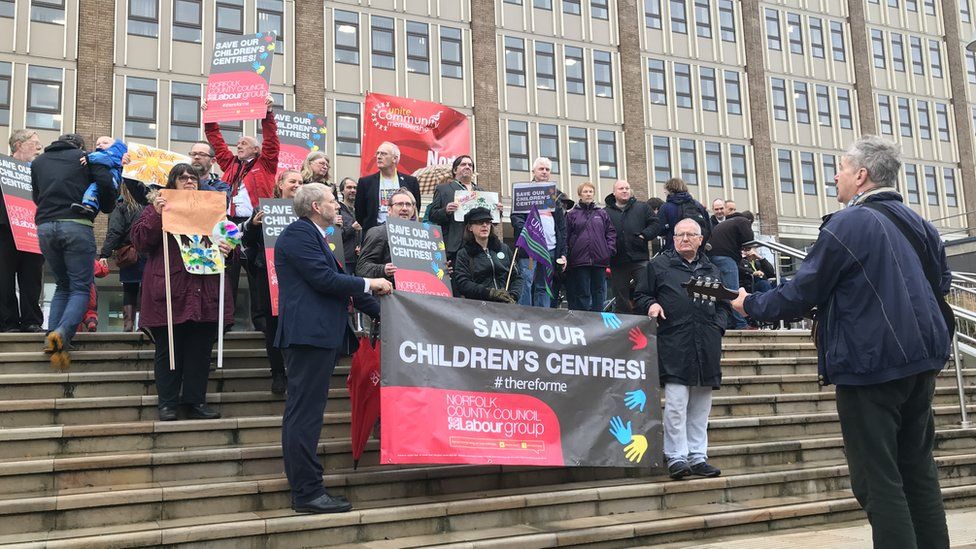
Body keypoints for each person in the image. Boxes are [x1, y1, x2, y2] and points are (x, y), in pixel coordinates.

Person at [732, 136, 952, 548]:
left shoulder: (847, 223)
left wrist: (751, 305)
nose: (835, 176)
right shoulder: (919, 223)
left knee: (877, 480)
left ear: (862, 176)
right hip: (923, 361)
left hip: (871, 366)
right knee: (918, 472)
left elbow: (803, 291)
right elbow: (939, 284)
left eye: (842, 168)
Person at [274, 183, 391, 514]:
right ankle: (307, 492)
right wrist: (372, 282)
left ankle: (309, 487)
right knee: (304, 415)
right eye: (331, 201)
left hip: (318, 336)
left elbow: (342, 288)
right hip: (307, 337)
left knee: (308, 413)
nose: (338, 205)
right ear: (315, 206)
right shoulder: (299, 234)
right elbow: (325, 280)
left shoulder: (317, 236)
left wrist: (391, 312)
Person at [130, 164, 233, 421]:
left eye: (193, 177)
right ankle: (168, 403)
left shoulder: (212, 209)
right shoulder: (155, 209)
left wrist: (229, 246)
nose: (189, 181)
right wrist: (156, 213)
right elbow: (141, 241)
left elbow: (229, 238)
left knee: (199, 351)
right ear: (171, 182)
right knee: (168, 351)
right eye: (182, 177)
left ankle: (195, 401)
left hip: (205, 289)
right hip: (171, 289)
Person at [634, 218, 727, 480]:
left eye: (690, 235)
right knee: (676, 404)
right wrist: (651, 305)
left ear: (700, 240)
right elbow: (641, 294)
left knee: (701, 406)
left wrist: (717, 326)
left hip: (706, 344)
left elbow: (723, 304)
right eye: (679, 235)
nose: (684, 239)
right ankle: (676, 456)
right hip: (674, 341)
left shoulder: (711, 270)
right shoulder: (659, 265)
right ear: (672, 239)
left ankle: (698, 456)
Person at [32, 133, 116, 369]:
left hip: (46, 227)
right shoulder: (86, 157)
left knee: (62, 284)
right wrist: (107, 205)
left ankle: (52, 334)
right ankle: (62, 332)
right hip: (76, 225)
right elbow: (106, 188)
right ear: (80, 146)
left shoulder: (38, 162)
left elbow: (36, 196)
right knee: (80, 286)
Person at [203, 94, 279, 332]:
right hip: (228, 222)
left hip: (255, 222)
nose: (239, 145)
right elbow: (215, 142)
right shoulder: (231, 165)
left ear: (256, 149)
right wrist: (209, 118)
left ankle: (261, 322)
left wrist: (267, 114)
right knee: (228, 272)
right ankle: (225, 321)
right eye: (238, 144)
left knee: (258, 273)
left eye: (244, 143)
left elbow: (271, 141)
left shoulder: (265, 163)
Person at [241, 169, 302, 395]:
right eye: (292, 181)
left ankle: (296, 372)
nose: (297, 185)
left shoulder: (308, 211)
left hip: (300, 278)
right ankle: (278, 373)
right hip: (270, 277)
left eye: (301, 182)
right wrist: (253, 225)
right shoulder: (263, 210)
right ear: (281, 185)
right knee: (274, 328)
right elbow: (247, 242)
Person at [1, 130, 44, 333]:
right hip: (5, 230)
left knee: (32, 278)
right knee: (4, 277)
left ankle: (31, 321)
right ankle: (8, 322)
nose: (39, 147)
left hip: (31, 230)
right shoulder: (2, 168)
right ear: (19, 144)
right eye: (34, 143)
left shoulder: (39, 171)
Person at [511, 157, 566, 308]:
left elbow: (562, 227)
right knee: (526, 282)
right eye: (541, 169)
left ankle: (543, 317)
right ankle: (524, 316)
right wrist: (529, 233)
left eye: (547, 169)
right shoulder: (524, 191)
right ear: (533, 171)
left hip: (551, 248)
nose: (544, 172)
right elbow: (515, 218)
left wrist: (563, 252)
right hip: (530, 247)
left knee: (544, 285)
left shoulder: (556, 195)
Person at [604, 180, 660, 314]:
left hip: (639, 257)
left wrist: (644, 236)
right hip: (617, 260)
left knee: (644, 290)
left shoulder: (642, 207)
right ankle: (623, 324)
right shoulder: (605, 212)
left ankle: (644, 319)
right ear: (614, 192)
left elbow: (655, 224)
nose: (625, 191)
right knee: (620, 295)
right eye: (621, 188)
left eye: (627, 188)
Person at [428, 155, 494, 264]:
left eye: (470, 165)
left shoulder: (481, 191)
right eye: (463, 164)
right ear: (455, 170)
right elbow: (432, 215)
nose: (467, 167)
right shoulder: (443, 189)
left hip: (477, 244)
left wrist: (497, 211)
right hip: (454, 245)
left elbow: (490, 219)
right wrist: (446, 210)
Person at [99, 182, 147, 332]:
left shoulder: (121, 206)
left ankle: (128, 325)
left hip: (129, 253)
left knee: (129, 289)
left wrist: (105, 253)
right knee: (147, 289)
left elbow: (115, 231)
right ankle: (145, 324)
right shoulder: (148, 205)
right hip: (149, 252)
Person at [453, 208, 522, 303]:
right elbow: (463, 283)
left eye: (488, 222)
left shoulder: (504, 249)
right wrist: (489, 293)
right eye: (479, 222)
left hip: (506, 306)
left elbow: (517, 277)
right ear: (470, 227)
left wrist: (513, 296)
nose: (484, 225)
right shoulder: (464, 254)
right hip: (478, 307)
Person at [565, 182, 615, 312]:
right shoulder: (572, 214)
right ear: (580, 194)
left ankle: (597, 319)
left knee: (599, 292)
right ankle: (584, 320)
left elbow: (610, 232)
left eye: (590, 191)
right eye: (585, 191)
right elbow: (566, 235)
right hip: (579, 260)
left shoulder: (602, 213)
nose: (588, 194)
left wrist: (608, 250)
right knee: (583, 291)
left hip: (599, 259)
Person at [355, 142, 421, 234]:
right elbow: (359, 213)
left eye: (383, 154)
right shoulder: (365, 182)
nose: (378, 157)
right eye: (377, 153)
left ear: (395, 158)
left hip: (403, 233)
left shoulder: (411, 182)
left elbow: (415, 208)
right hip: (375, 234)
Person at [356, 188, 417, 283]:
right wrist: (383, 269)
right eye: (399, 204)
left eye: (408, 204)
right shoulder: (378, 233)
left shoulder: (420, 236)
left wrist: (441, 269)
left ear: (413, 210)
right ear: (389, 209)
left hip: (416, 293)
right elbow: (361, 268)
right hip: (390, 294)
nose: (404, 208)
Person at [707, 210, 754, 329]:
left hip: (712, 255)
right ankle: (740, 323)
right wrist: (748, 249)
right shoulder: (743, 221)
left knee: (722, 292)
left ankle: (728, 322)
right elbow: (749, 240)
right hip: (725, 256)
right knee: (733, 291)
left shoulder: (727, 223)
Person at [658, 178, 710, 252]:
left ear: (670, 190)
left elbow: (660, 230)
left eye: (665, 190)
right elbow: (708, 226)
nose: (664, 192)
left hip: (674, 249)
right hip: (697, 249)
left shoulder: (666, 207)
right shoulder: (698, 205)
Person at [337, 177, 361, 273]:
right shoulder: (337, 209)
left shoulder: (361, 210)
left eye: (355, 188)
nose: (353, 190)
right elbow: (332, 234)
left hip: (360, 259)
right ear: (342, 190)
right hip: (344, 259)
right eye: (349, 187)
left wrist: (361, 245)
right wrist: (352, 228)